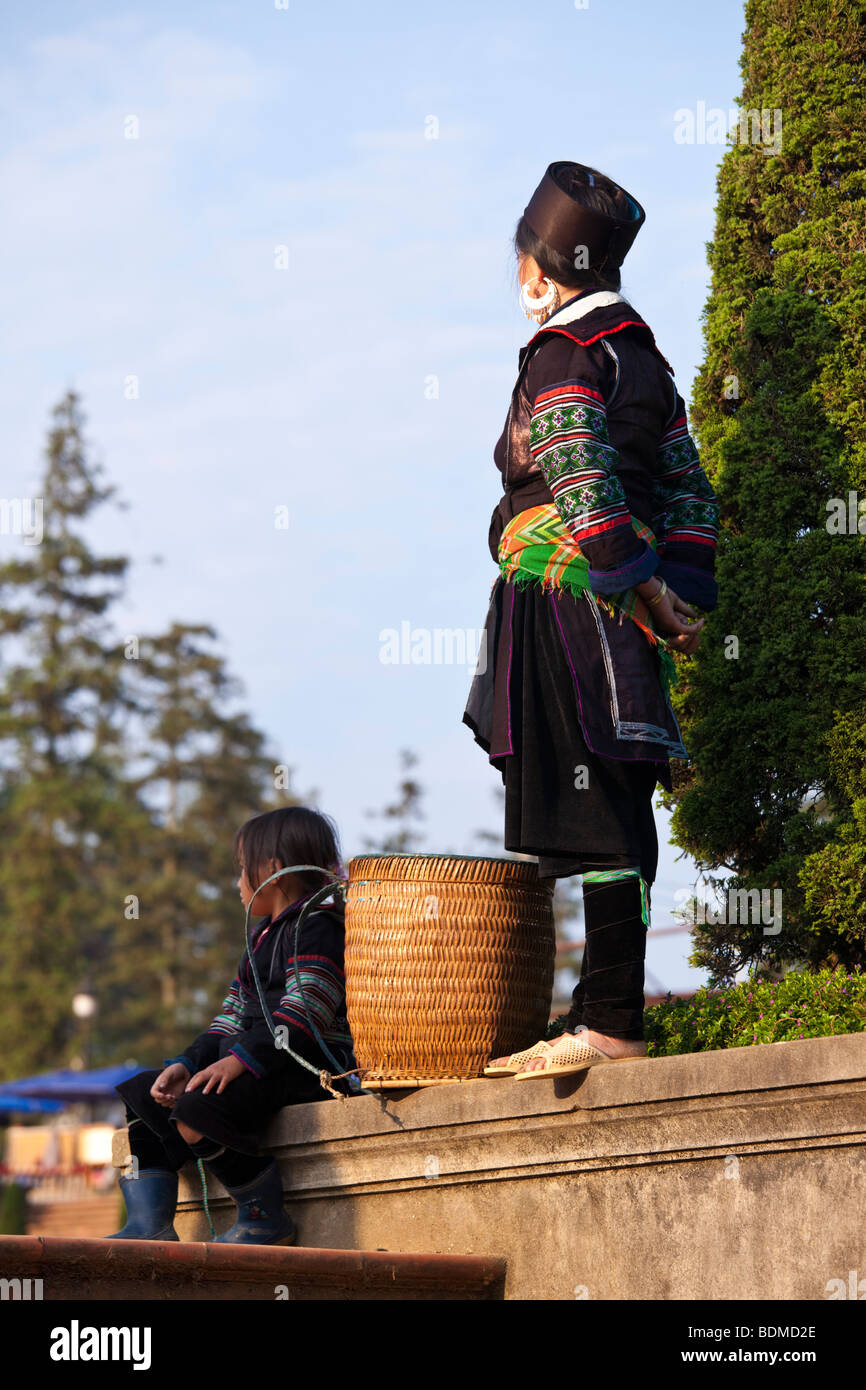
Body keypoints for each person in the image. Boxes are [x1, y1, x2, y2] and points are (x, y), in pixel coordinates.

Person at [464, 162, 719, 1078]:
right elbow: (689, 488)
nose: (519, 281)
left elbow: (580, 482)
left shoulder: (565, 354)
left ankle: (609, 1021)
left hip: (579, 607)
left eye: (522, 264)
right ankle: (601, 1009)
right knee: (613, 799)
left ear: (541, 271)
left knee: (603, 806)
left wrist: (643, 590)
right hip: (618, 607)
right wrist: (682, 593)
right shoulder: (643, 355)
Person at [108, 806, 356, 1244]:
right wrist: (188, 1062)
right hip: (254, 1063)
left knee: (196, 1109)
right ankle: (150, 1225)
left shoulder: (319, 928)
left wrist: (240, 1061)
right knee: (143, 1093)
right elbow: (231, 1016)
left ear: (273, 871)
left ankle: (262, 1217)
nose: (238, 882)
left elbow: (304, 1013)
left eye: (242, 869)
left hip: (300, 1066)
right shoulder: (260, 938)